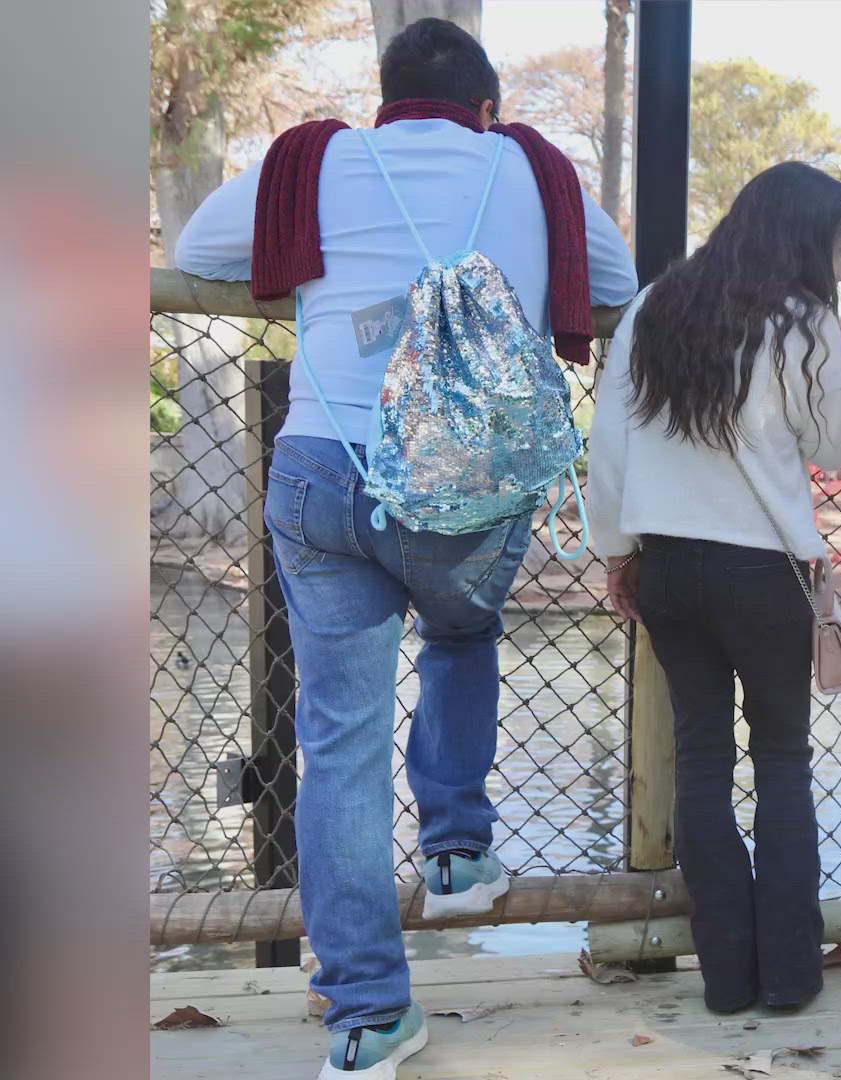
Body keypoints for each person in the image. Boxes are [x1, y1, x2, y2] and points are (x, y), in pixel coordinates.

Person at [175, 18, 638, 1077]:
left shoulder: (320, 158)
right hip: (465, 485)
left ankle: (370, 1019)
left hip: (322, 468)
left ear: (384, 101)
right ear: (489, 108)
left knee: (339, 741)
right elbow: (613, 283)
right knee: (465, 627)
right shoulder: (533, 170)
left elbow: (199, 250)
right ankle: (459, 847)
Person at [589, 162, 841, 1015]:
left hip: (672, 569)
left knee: (702, 766)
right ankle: (788, 975)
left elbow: (610, 447)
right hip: (764, 573)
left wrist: (618, 551)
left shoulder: (656, 305)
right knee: (783, 764)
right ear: (803, 239)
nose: (840, 267)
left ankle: (726, 977)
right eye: (837, 247)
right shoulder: (804, 322)